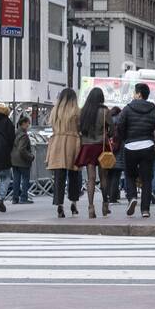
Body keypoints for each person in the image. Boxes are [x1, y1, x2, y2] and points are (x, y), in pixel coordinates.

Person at [116, 83, 155, 217]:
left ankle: (132, 197)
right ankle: (145, 210)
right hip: (147, 146)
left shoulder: (127, 109)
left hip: (130, 146)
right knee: (147, 179)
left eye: (134, 92)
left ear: (139, 94)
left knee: (130, 175)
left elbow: (119, 126)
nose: (133, 95)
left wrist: (123, 139)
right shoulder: (154, 110)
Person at [75, 86, 113, 218]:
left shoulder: (83, 111)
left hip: (87, 146)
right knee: (103, 177)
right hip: (101, 146)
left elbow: (78, 129)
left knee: (91, 178)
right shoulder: (105, 111)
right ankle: (105, 204)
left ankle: (91, 207)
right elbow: (112, 130)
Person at [46, 88, 82, 218]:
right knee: (74, 175)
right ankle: (74, 202)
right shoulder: (77, 111)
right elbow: (80, 128)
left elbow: (52, 126)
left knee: (59, 176)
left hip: (57, 142)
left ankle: (59, 204)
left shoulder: (55, 111)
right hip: (72, 142)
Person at [9, 115, 35, 204]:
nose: (29, 125)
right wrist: (30, 156)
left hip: (14, 160)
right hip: (22, 161)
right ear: (23, 123)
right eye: (28, 123)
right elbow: (22, 149)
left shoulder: (15, 133)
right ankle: (24, 198)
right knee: (25, 179)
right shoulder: (24, 135)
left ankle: (15, 198)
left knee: (16, 180)